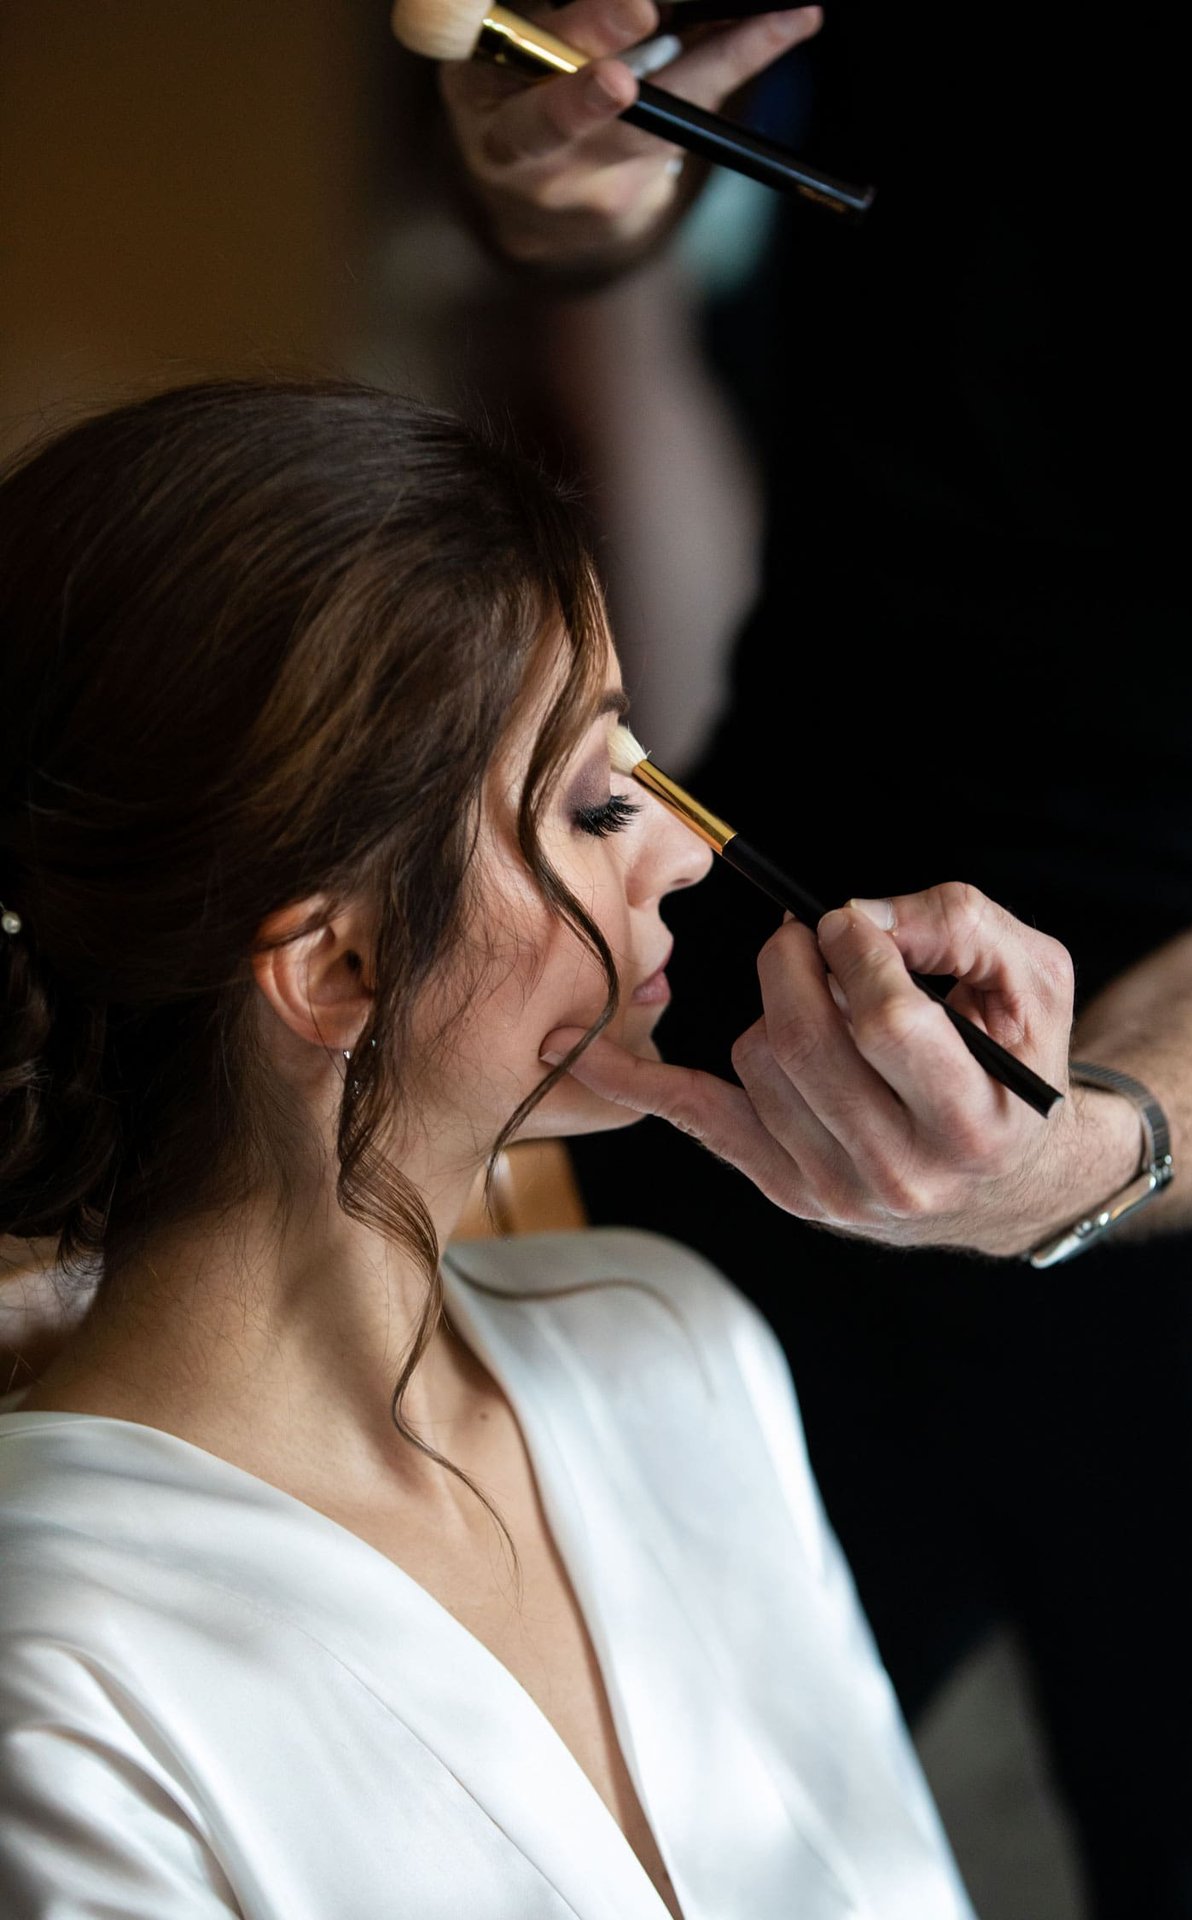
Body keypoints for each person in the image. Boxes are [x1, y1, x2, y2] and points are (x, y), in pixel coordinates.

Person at [434, 9, 1192, 1916]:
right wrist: (562, 184)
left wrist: (1087, 1152)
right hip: (775, 919)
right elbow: (609, 162)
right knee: (604, 1795)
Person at [0, 378, 994, 1917]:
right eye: (602, 804)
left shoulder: (677, 1348)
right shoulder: (59, 1677)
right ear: (333, 970)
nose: (691, 849)